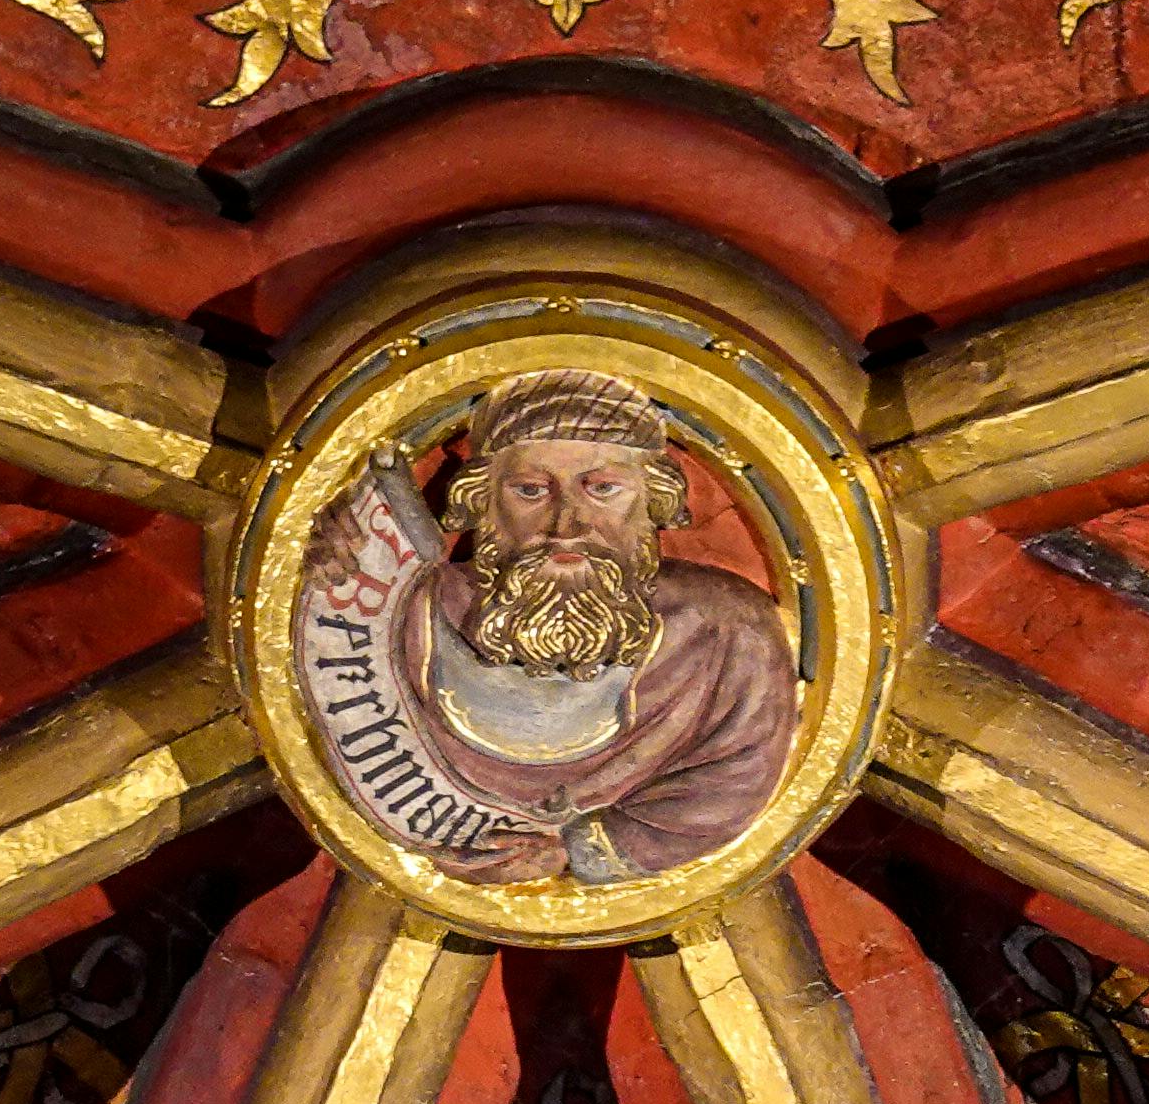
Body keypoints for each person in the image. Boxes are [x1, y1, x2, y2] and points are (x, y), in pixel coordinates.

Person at [301, 365, 799, 883]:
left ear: (653, 500)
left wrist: (575, 851)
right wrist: (328, 568)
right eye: (532, 490)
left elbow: (736, 777)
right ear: (483, 503)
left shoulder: (729, 628)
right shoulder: (406, 614)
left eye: (602, 488)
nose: (566, 523)